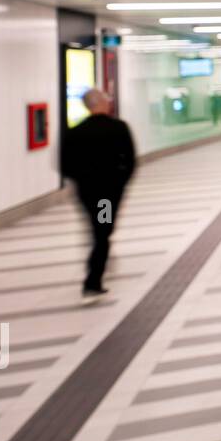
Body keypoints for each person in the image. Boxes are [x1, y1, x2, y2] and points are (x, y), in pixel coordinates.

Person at [63, 89, 135, 296]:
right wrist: (120, 183)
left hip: (86, 193)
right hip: (107, 194)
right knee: (102, 232)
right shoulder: (118, 128)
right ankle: (93, 280)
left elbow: (66, 165)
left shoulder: (75, 132)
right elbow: (130, 161)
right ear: (102, 104)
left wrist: (83, 181)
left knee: (98, 229)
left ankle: (99, 263)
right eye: (107, 100)